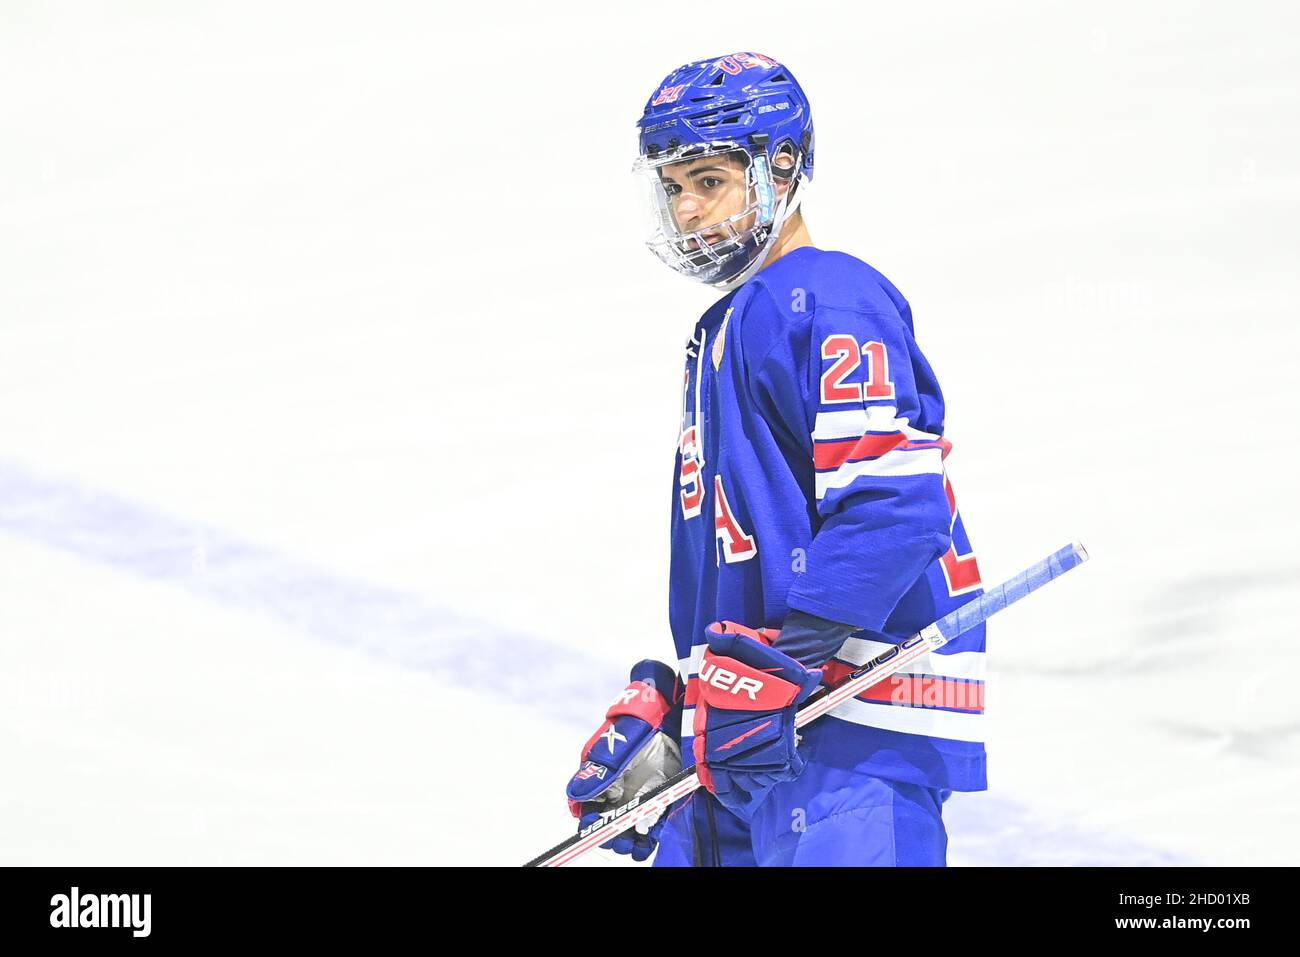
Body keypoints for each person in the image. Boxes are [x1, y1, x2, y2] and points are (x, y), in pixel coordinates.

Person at [565, 52, 987, 867]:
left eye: (711, 181)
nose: (689, 210)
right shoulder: (726, 327)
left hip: (849, 748)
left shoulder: (829, 297)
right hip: (748, 752)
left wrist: (777, 670)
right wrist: (685, 713)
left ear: (781, 165)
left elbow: (894, 509)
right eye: (675, 187)